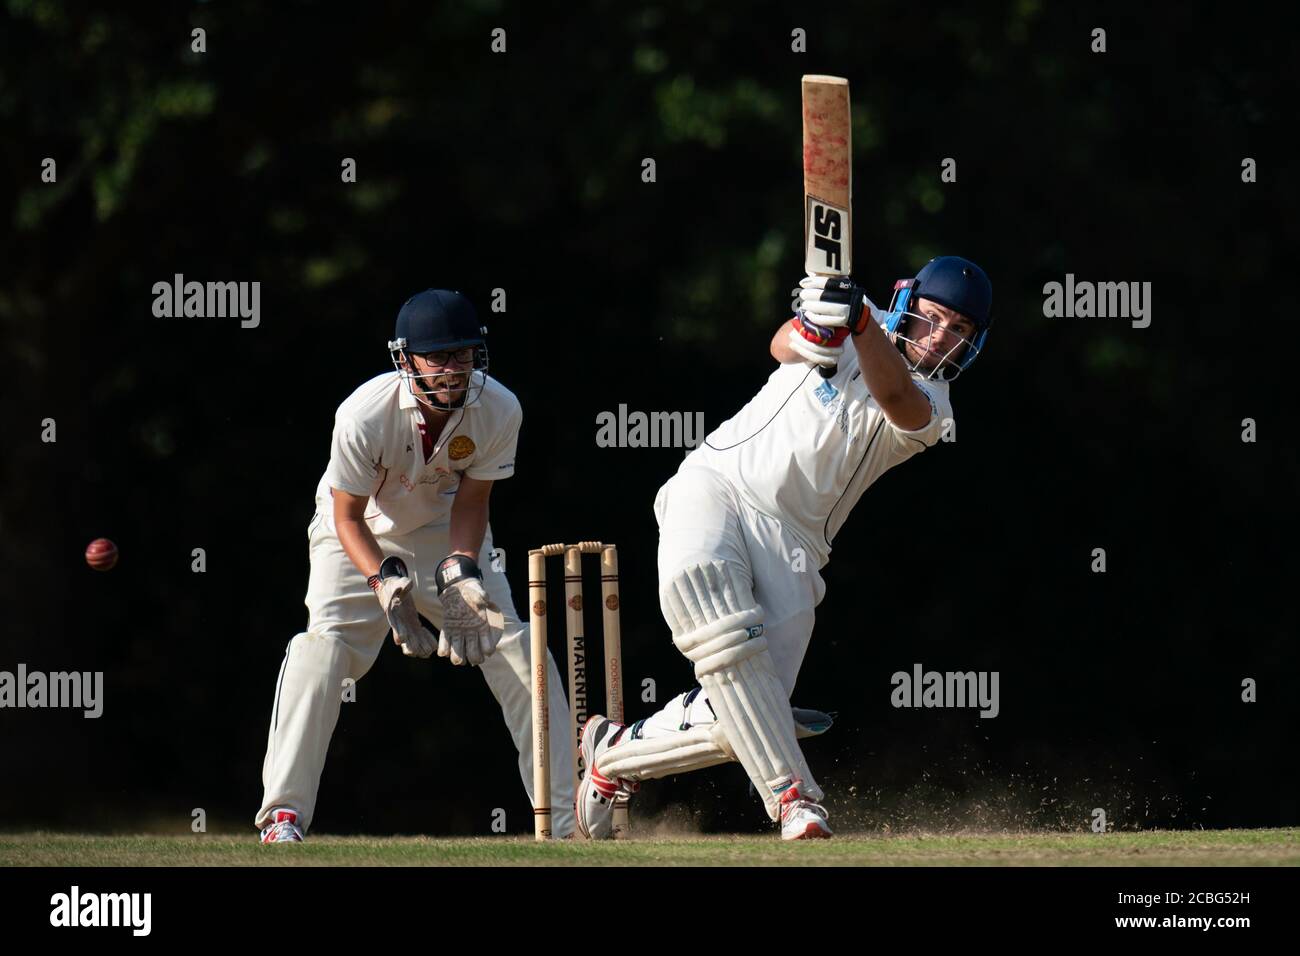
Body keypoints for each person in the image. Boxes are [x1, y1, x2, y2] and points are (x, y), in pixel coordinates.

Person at [574, 257, 992, 840]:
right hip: (719, 483)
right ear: (907, 302)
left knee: (739, 721)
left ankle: (613, 756)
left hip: (795, 547)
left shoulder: (935, 406)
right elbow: (780, 347)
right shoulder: (855, 316)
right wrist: (815, 323)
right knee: (711, 607)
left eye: (959, 329)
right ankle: (795, 798)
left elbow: (896, 394)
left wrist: (858, 323)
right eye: (933, 317)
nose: (940, 336)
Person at [256, 288, 575, 842]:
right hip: (355, 532)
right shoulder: (363, 415)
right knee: (321, 652)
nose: (454, 369)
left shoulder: (500, 408)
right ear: (406, 359)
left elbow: (473, 504)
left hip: (441, 528)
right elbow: (347, 516)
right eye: (439, 357)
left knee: (518, 649)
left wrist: (461, 572)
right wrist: (383, 584)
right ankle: (283, 816)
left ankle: (566, 821)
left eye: (464, 353)